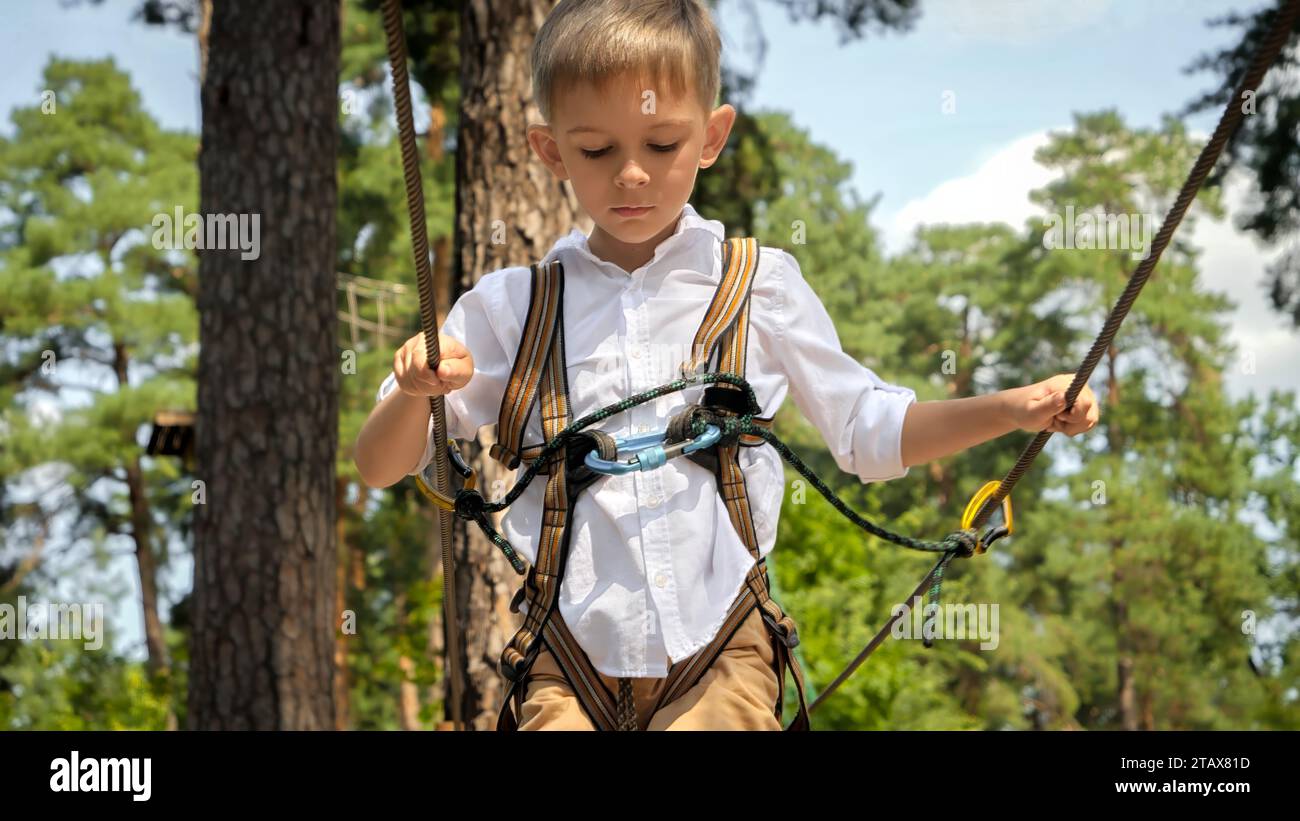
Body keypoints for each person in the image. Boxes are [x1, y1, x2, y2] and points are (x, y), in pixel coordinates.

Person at [353, 0, 1100, 730]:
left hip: (721, 650)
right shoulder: (510, 310)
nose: (633, 175)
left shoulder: (759, 288)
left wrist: (1008, 409)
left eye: (662, 144)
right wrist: (415, 393)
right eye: (597, 150)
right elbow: (381, 464)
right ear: (550, 152)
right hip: (564, 658)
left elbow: (870, 431)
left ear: (711, 137)